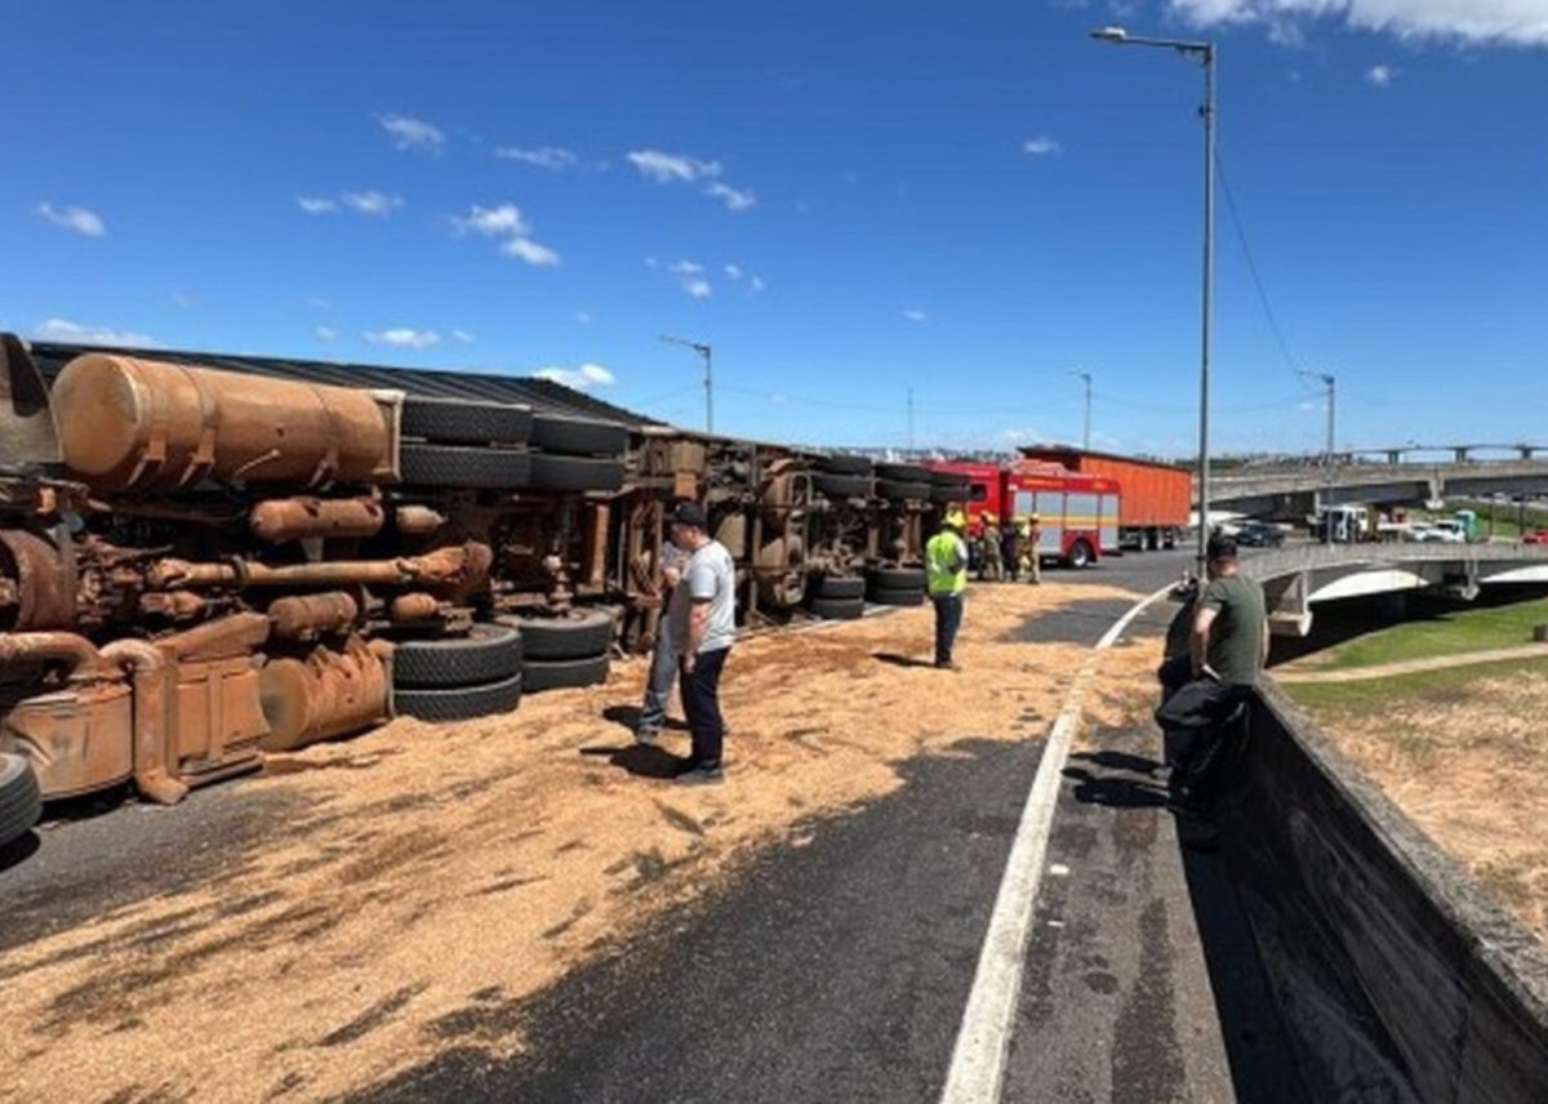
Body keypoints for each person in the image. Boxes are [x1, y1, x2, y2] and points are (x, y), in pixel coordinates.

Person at [1155, 534, 1268, 814]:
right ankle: (1188, 751)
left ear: (1212, 563)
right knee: (1169, 673)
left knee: (1168, 715)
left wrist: (1199, 663)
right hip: (1245, 675)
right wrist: (1258, 668)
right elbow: (1265, 634)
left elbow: (1199, 627)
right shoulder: (1254, 587)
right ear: (1235, 560)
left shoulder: (1218, 588)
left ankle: (1192, 756)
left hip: (1224, 681)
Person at [665, 501, 737, 785]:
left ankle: (710, 766)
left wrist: (692, 652)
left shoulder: (705, 561)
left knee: (701, 704)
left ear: (693, 531)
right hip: (711, 641)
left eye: (678, 530)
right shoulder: (715, 552)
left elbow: (699, 613)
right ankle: (699, 756)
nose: (674, 535)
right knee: (694, 703)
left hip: (705, 645)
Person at [634, 538, 687, 746]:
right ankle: (650, 724)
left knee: (700, 677)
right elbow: (673, 579)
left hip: (700, 617)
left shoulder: (709, 550)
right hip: (674, 617)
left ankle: (703, 719)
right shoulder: (670, 548)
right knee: (663, 671)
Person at [926, 511, 970, 670]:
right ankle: (944, 659)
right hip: (952, 589)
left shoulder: (932, 541)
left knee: (941, 624)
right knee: (950, 625)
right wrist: (954, 569)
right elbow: (964, 558)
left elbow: (929, 563)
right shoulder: (955, 541)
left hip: (936, 589)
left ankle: (940, 656)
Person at [980, 512, 1004, 582]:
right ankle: (1000, 577)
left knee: (989, 563)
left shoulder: (985, 530)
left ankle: (990, 577)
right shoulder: (995, 530)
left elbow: (983, 538)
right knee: (998, 563)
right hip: (995, 548)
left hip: (987, 548)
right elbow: (1000, 539)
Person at [1019, 515, 1041, 584]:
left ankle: (1036, 579)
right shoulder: (1039, 528)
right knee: (1034, 563)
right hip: (1036, 546)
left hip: (1033, 546)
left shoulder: (1033, 528)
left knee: (1034, 563)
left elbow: (1032, 539)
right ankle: (1033, 578)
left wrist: (1028, 547)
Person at [1001, 514, 1021, 582]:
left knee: (1010, 564)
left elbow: (1005, 535)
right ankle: (1012, 577)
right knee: (1010, 564)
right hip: (1011, 548)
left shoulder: (1008, 529)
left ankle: (1010, 577)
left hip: (1009, 548)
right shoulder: (1014, 529)